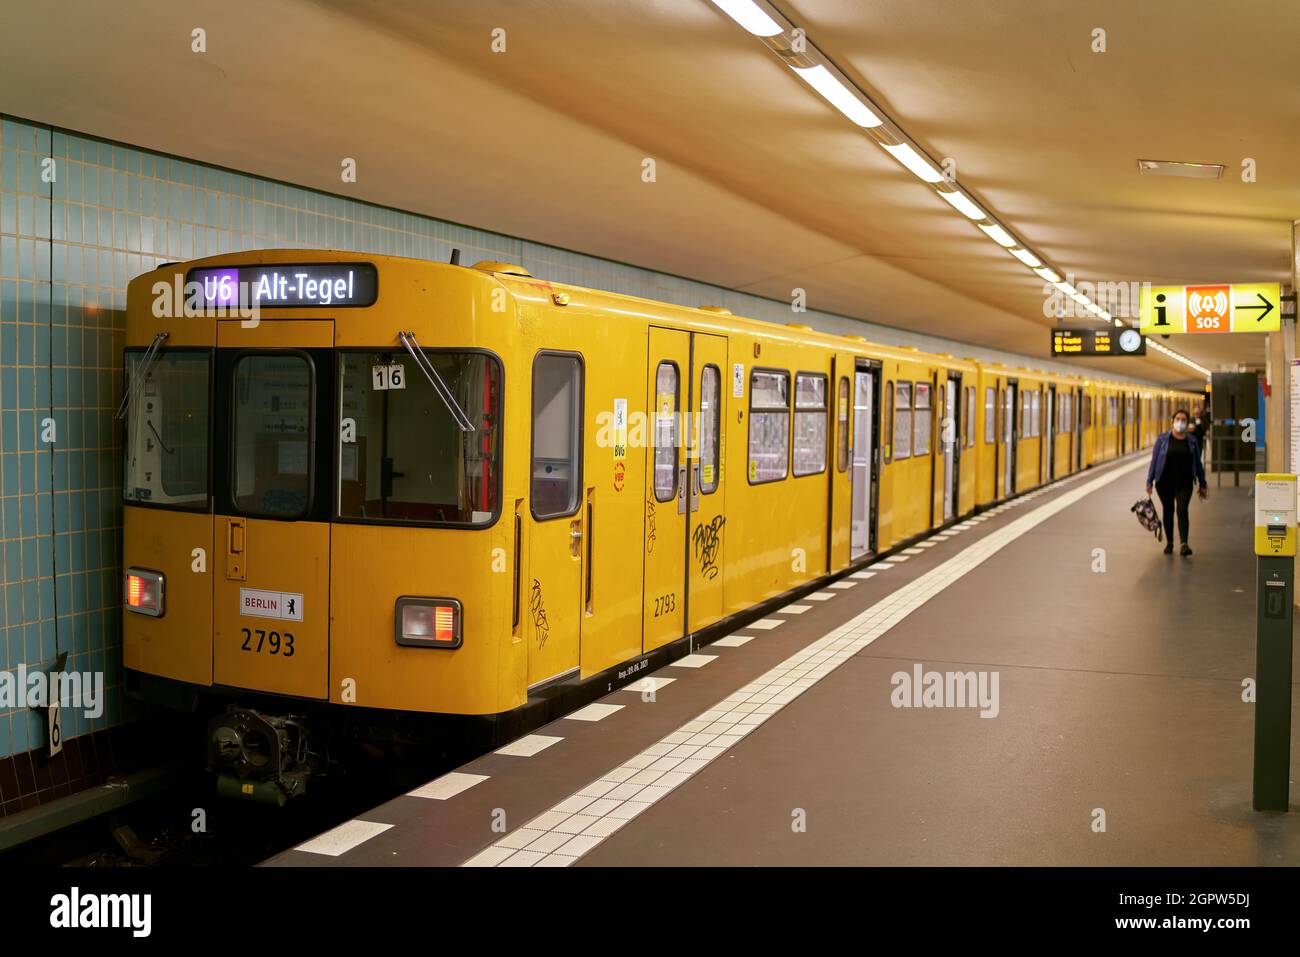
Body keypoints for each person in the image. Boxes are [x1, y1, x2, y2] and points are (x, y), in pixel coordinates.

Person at [1146, 409, 1208, 556]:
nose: (1180, 422)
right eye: (1178, 419)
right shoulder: (1162, 439)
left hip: (1185, 482)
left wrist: (1202, 482)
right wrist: (1149, 482)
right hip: (1164, 482)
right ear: (1172, 421)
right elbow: (1154, 461)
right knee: (1168, 511)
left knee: (1182, 510)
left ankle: (1184, 544)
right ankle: (1170, 543)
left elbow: (1198, 463)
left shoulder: (1191, 441)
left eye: (1184, 420)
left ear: (1187, 423)